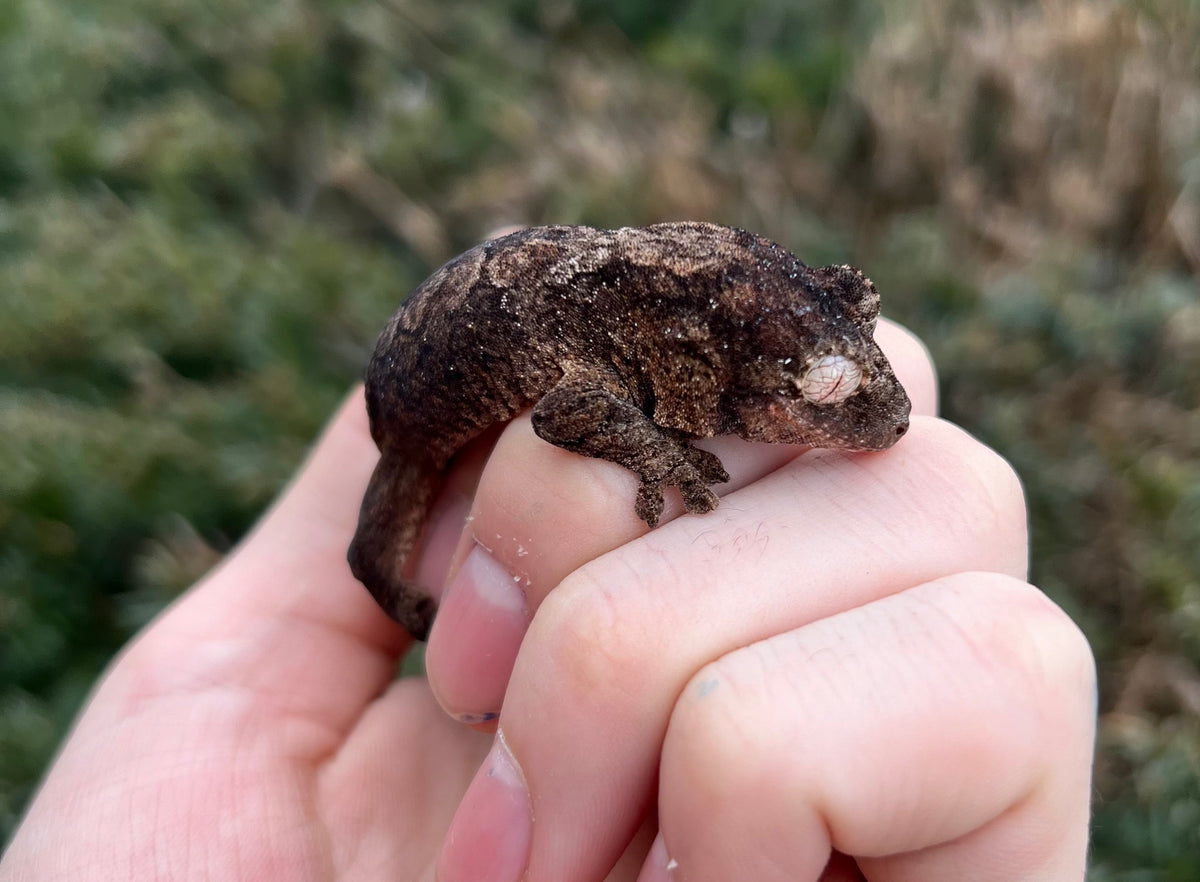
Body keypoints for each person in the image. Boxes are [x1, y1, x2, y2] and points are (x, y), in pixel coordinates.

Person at [0, 322, 1095, 882]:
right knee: (408, 556)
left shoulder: (679, 338)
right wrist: (654, 448)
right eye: (812, 390)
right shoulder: (436, 451)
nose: (864, 425)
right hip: (420, 416)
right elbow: (572, 415)